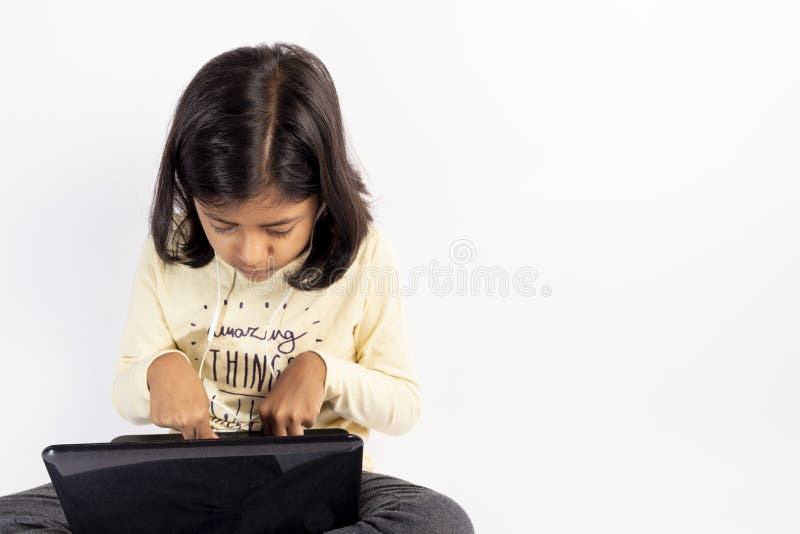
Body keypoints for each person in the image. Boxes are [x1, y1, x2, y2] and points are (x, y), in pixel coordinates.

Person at [0, 42, 474, 533]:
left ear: (323, 198)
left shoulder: (363, 253)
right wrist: (157, 372)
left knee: (437, 521)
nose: (248, 254)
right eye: (222, 224)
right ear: (190, 194)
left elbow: (403, 407)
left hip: (313, 484)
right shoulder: (170, 247)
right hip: (179, 479)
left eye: (278, 228)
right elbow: (125, 393)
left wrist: (324, 373)